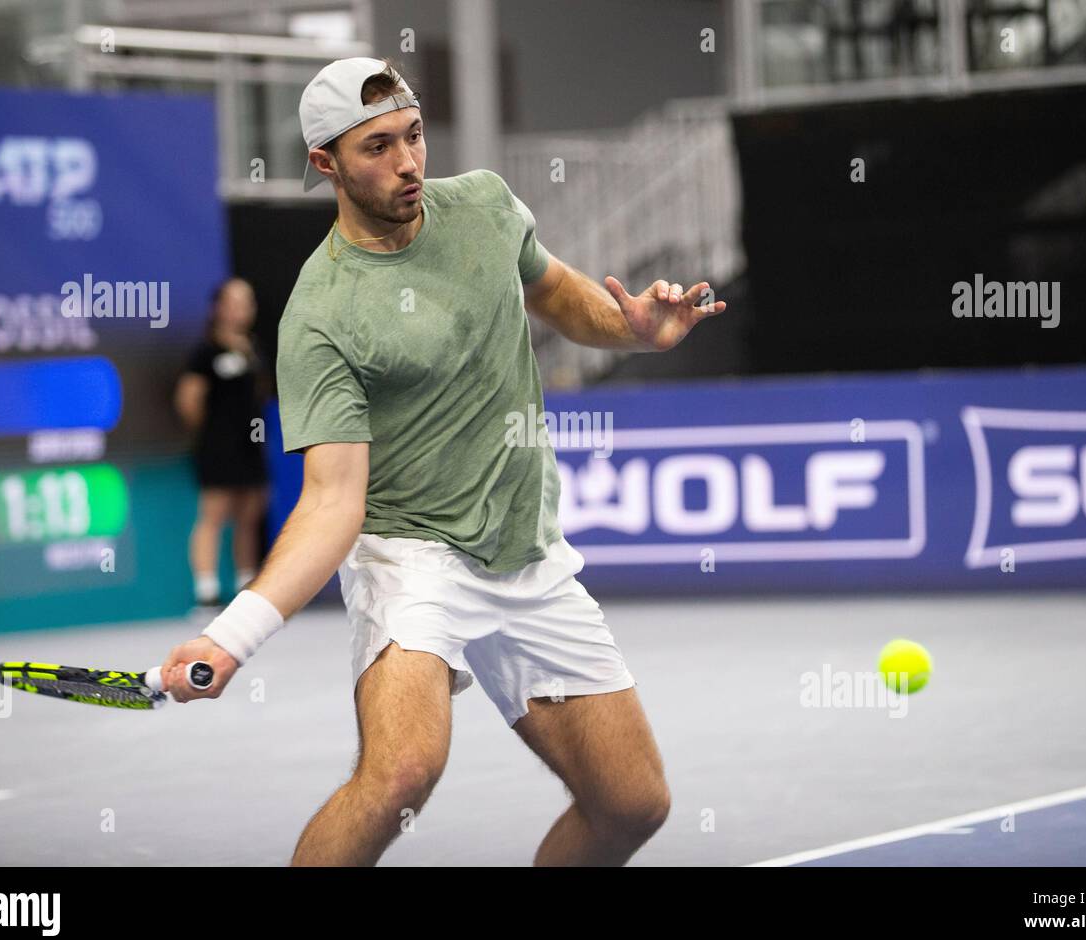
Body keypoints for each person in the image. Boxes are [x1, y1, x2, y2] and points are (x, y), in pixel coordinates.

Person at [161, 56, 726, 866]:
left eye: (415, 136)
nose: (408, 164)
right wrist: (231, 637)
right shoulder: (320, 315)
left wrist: (629, 327)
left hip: (525, 548)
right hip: (411, 554)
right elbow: (330, 504)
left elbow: (559, 293)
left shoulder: (487, 207)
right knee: (400, 774)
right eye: (378, 148)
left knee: (632, 804)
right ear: (325, 163)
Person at [174, 277, 270, 609]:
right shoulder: (206, 351)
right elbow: (189, 399)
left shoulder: (253, 347)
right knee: (213, 515)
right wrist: (214, 433)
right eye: (234, 302)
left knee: (250, 514)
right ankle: (206, 591)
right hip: (217, 447)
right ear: (218, 308)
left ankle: (246, 583)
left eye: (248, 302)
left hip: (251, 446)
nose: (242, 310)